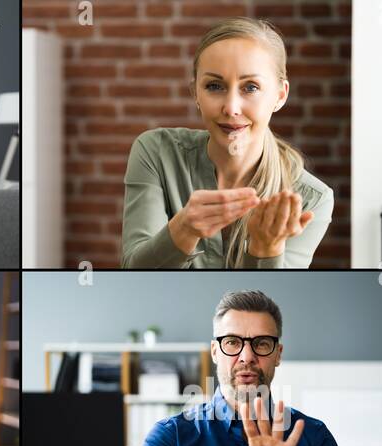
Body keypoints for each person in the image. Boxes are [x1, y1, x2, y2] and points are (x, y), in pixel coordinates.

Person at [140, 291, 354, 446]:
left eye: (262, 344)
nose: (247, 357)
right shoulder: (169, 438)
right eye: (232, 342)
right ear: (214, 351)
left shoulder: (315, 436)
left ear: (278, 354)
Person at [121, 17, 332, 269]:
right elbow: (133, 273)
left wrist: (266, 250)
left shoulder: (312, 198)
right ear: (195, 93)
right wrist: (184, 229)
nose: (231, 108)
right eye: (214, 86)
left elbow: (265, 302)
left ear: (280, 95)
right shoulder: (155, 152)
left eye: (250, 87)